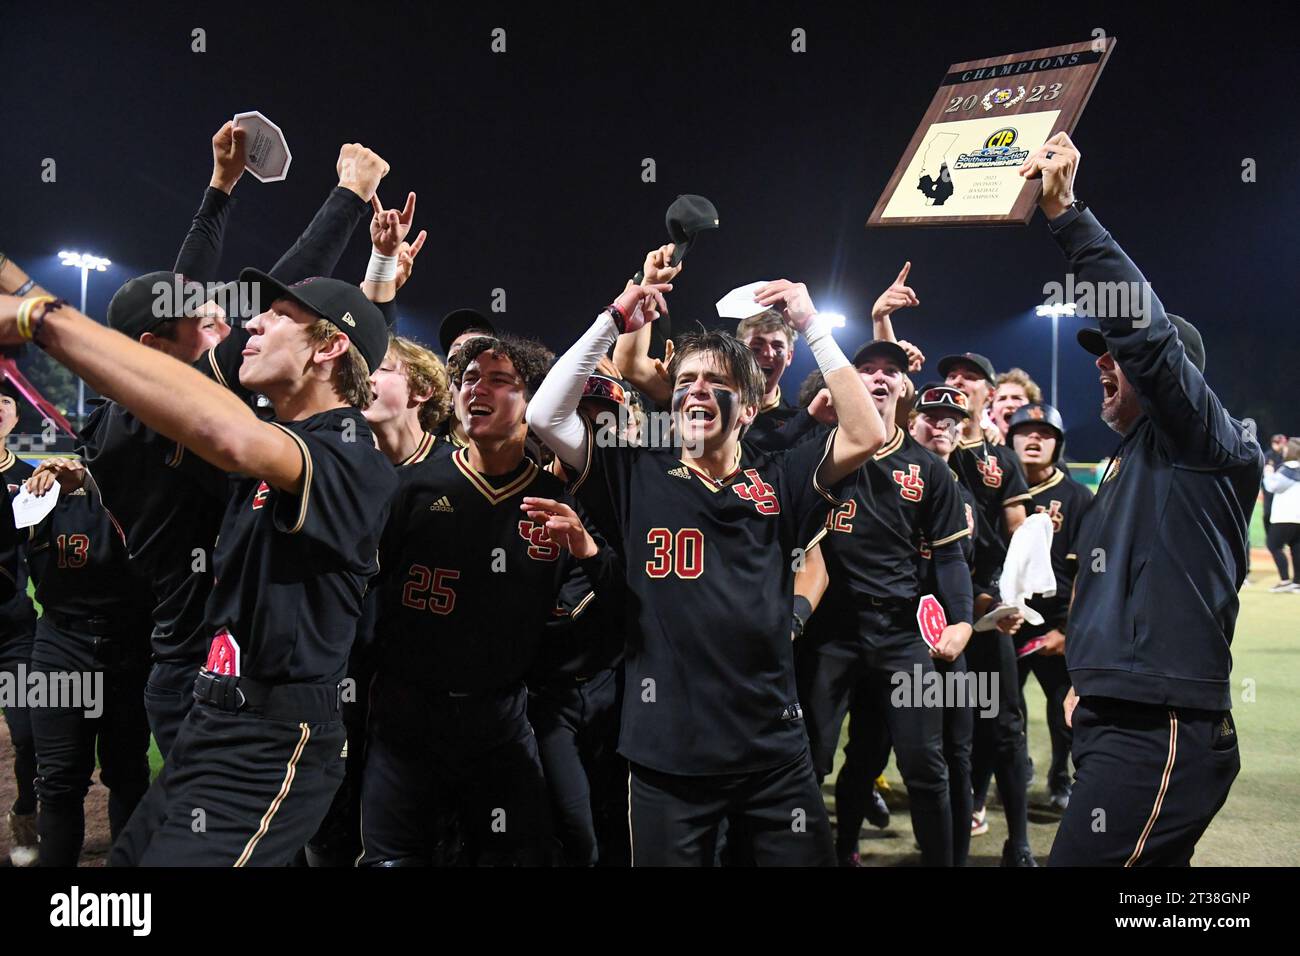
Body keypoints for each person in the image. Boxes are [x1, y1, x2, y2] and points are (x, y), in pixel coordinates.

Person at [1, 265, 398, 866]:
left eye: (279, 316)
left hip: (270, 739)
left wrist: (40, 319)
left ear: (330, 346)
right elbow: (176, 394)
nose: (252, 322)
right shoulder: (273, 439)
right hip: (208, 719)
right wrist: (24, 288)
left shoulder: (347, 454)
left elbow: (226, 431)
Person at [527, 266, 884, 866]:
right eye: (686, 378)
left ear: (746, 408)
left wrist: (812, 326)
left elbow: (867, 430)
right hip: (669, 757)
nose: (694, 390)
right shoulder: (637, 470)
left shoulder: (782, 476)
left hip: (772, 752)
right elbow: (545, 416)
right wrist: (612, 320)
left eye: (714, 381)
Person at [1020, 132, 1263, 866]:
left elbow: (1147, 337)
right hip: (1121, 716)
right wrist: (1086, 680)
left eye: (1117, 354)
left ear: (1167, 379)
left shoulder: (1205, 443)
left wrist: (1067, 215)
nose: (1104, 362)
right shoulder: (1128, 463)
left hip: (1161, 728)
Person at [359, 333, 569, 866]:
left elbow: (587, 603)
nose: (479, 388)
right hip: (404, 716)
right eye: (470, 378)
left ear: (532, 401)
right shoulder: (411, 486)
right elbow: (362, 590)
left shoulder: (557, 501)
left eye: (501, 381)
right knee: (392, 858)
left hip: (498, 719)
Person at [797, 342, 974, 867]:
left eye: (889, 372)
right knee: (811, 757)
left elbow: (949, 560)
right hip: (830, 629)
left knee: (924, 764)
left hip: (900, 634)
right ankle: (826, 854)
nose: (877, 378)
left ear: (904, 388)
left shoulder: (930, 471)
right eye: (865, 369)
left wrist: (962, 620)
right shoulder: (820, 452)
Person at [305, 334, 450, 867]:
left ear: (422, 391)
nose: (366, 380)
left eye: (383, 370)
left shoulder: (457, 472)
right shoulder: (340, 466)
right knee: (325, 822)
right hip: (341, 676)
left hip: (422, 687)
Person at [6, 457, 154, 866]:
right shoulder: (40, 494)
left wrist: (90, 480)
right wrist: (34, 488)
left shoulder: (141, 489)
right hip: (61, 644)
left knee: (127, 774)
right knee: (57, 781)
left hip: (130, 645)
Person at [1004, 403, 1093, 811]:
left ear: (1058, 443)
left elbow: (1088, 574)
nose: (1035, 439)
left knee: (1064, 712)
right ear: (1011, 439)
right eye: (1025, 431)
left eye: (1045, 433)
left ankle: (1061, 775)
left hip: (1053, 624)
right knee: (1004, 708)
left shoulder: (1076, 496)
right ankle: (1014, 767)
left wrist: (1068, 630)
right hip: (1004, 618)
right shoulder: (998, 486)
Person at [0, 387, 37, 865]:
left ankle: (25, 818)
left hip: (13, 629)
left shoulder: (30, 481)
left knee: (28, 733)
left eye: (5, 401)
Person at [1263, 438, 1300, 592]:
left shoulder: (1288, 468)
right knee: (1296, 546)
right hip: (1298, 515)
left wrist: (1268, 472)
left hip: (1285, 515)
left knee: (1274, 545)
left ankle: (1285, 581)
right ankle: (1297, 582)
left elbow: (1271, 486)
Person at [990, 369, 1042, 439]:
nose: (1009, 404)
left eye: (1016, 398)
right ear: (991, 411)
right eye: (1002, 399)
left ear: (1031, 407)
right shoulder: (982, 448)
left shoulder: (1044, 446)